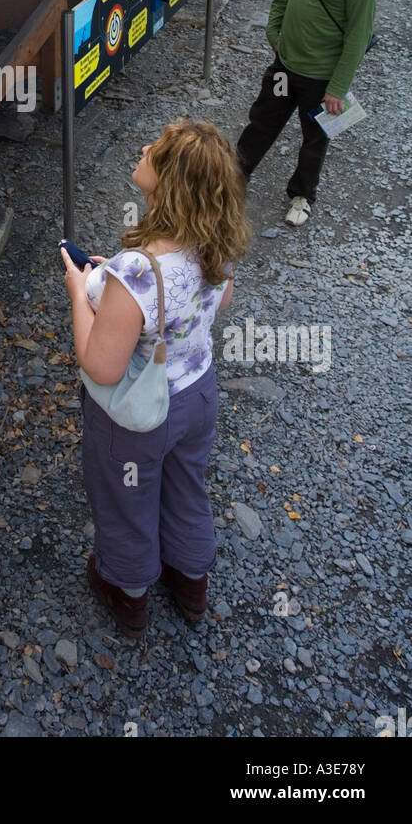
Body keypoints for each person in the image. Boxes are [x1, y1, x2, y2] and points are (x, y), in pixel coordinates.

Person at [61, 119, 250, 640]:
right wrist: (117, 291)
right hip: (199, 394)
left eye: (156, 151)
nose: (143, 149)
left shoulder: (136, 271)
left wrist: (81, 291)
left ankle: (128, 592)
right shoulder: (219, 236)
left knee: (126, 498)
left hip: (142, 416)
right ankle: (190, 582)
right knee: (186, 484)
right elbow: (220, 300)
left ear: (168, 183)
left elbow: (101, 366)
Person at [236, 0, 376, 227]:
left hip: (322, 78)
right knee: (262, 122)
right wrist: (274, 35)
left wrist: (338, 87)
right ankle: (233, 179)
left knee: (315, 138)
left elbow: (358, 37)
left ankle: (302, 194)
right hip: (285, 67)